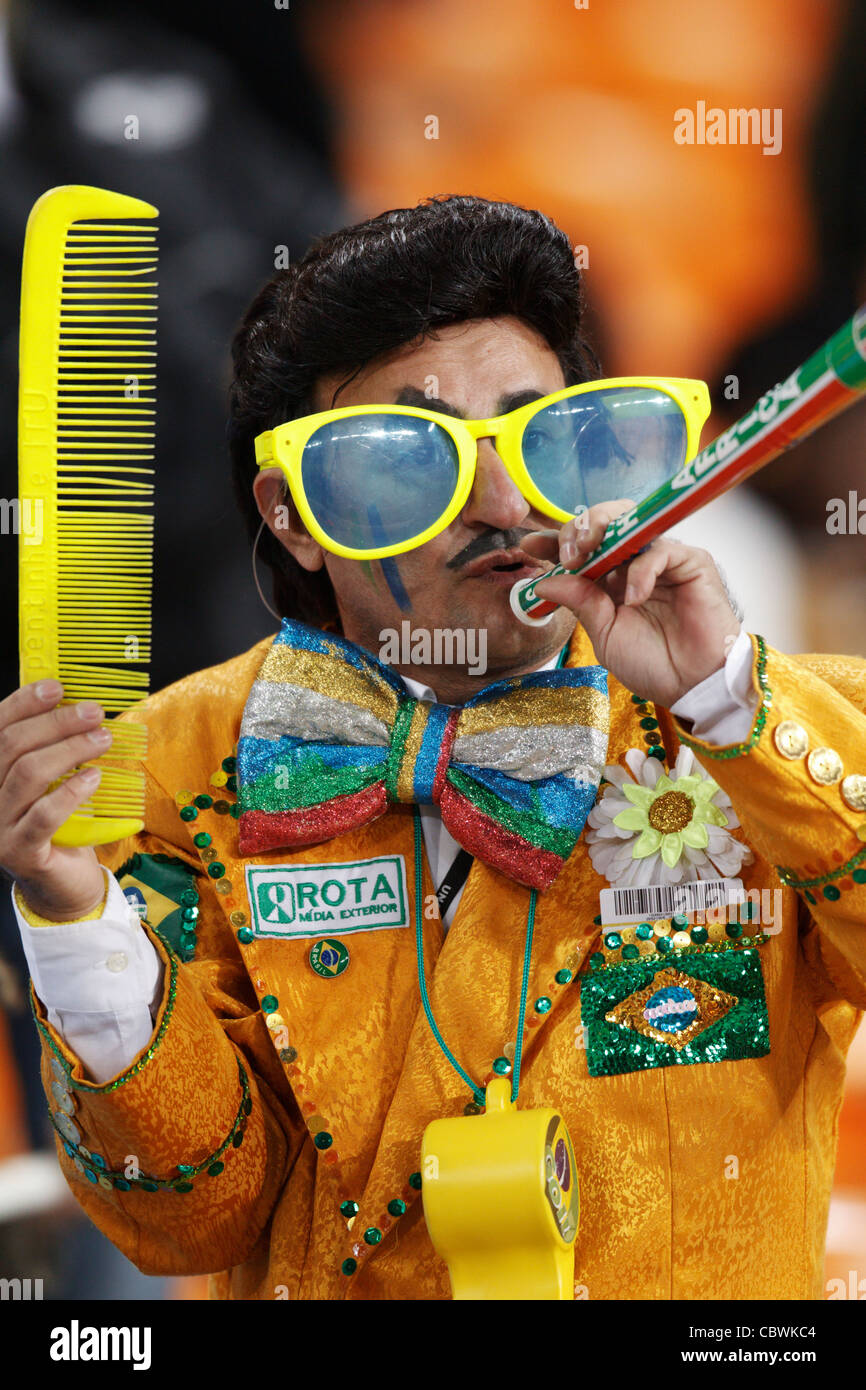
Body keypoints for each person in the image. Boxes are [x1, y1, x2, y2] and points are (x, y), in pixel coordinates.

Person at [2, 195, 864, 1301]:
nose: (501, 502)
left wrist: (726, 700)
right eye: (408, 459)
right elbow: (187, 1216)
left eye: (538, 437)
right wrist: (75, 920)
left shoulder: (760, 727)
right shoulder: (172, 767)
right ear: (293, 513)